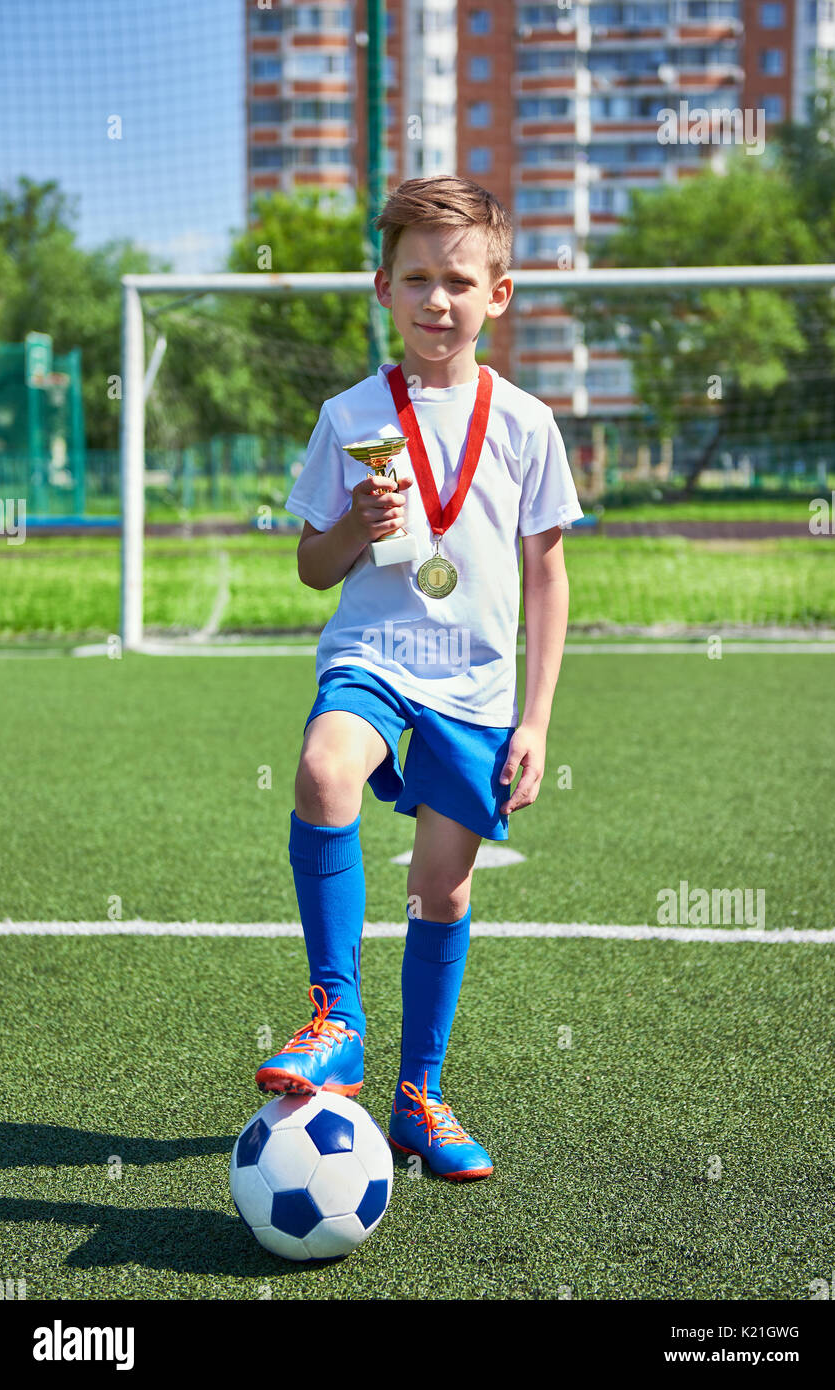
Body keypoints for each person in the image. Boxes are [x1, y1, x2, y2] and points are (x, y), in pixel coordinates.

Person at [256, 175, 583, 1180]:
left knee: (440, 891)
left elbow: (545, 574)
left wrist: (534, 720)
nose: (435, 301)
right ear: (381, 289)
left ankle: (419, 1097)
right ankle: (336, 1016)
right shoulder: (349, 412)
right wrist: (359, 524)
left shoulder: (525, 424)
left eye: (456, 281)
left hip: (477, 689)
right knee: (322, 771)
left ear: (499, 294)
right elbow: (313, 564)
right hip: (374, 659)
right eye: (414, 280)